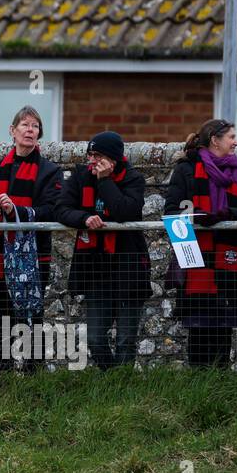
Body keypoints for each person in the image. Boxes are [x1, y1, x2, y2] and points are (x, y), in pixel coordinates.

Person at [0, 106, 64, 371]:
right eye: (25, 125)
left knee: (32, 310)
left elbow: (51, 210)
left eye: (35, 126)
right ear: (12, 131)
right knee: (0, 309)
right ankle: (3, 365)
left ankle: (34, 367)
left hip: (32, 253)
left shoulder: (49, 171)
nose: (30, 130)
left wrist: (15, 211)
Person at [165, 119, 237, 368]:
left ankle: (220, 384)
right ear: (214, 140)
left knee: (223, 324)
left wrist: (226, 212)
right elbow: (173, 211)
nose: (236, 142)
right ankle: (200, 384)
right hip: (197, 257)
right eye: (231, 137)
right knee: (199, 326)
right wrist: (202, 217)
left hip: (230, 257)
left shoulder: (236, 171)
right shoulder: (186, 169)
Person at [57, 131, 150, 369]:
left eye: (97, 155)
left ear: (112, 158)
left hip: (129, 268)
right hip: (95, 268)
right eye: (89, 154)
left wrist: (105, 181)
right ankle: (112, 380)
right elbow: (62, 209)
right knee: (96, 338)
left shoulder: (133, 179)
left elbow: (126, 211)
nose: (91, 160)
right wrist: (85, 218)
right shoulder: (80, 177)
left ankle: (123, 392)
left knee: (126, 340)